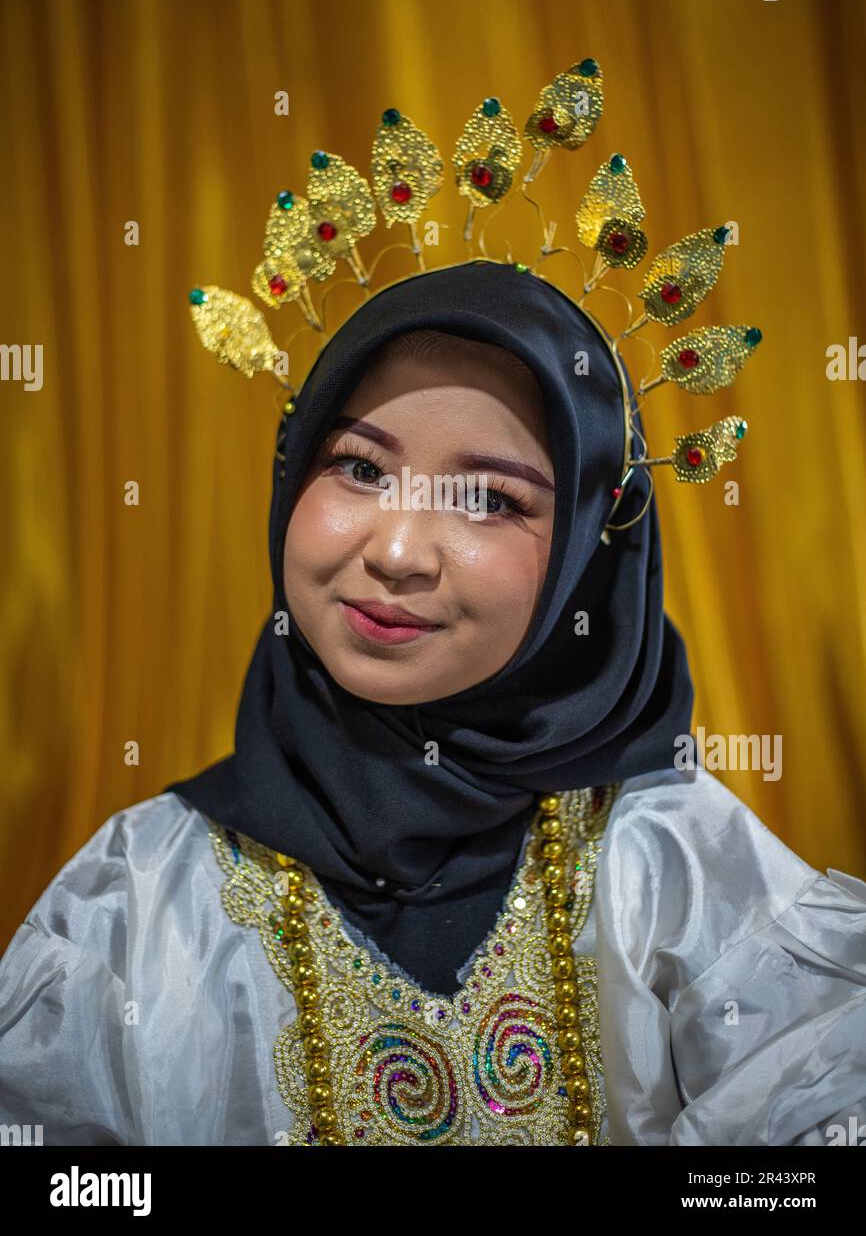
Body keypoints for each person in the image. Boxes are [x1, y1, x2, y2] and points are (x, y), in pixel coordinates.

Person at [1, 260, 864, 1147]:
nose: (401, 549)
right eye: (360, 468)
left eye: (487, 499)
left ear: (584, 554)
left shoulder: (675, 867)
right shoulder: (137, 895)